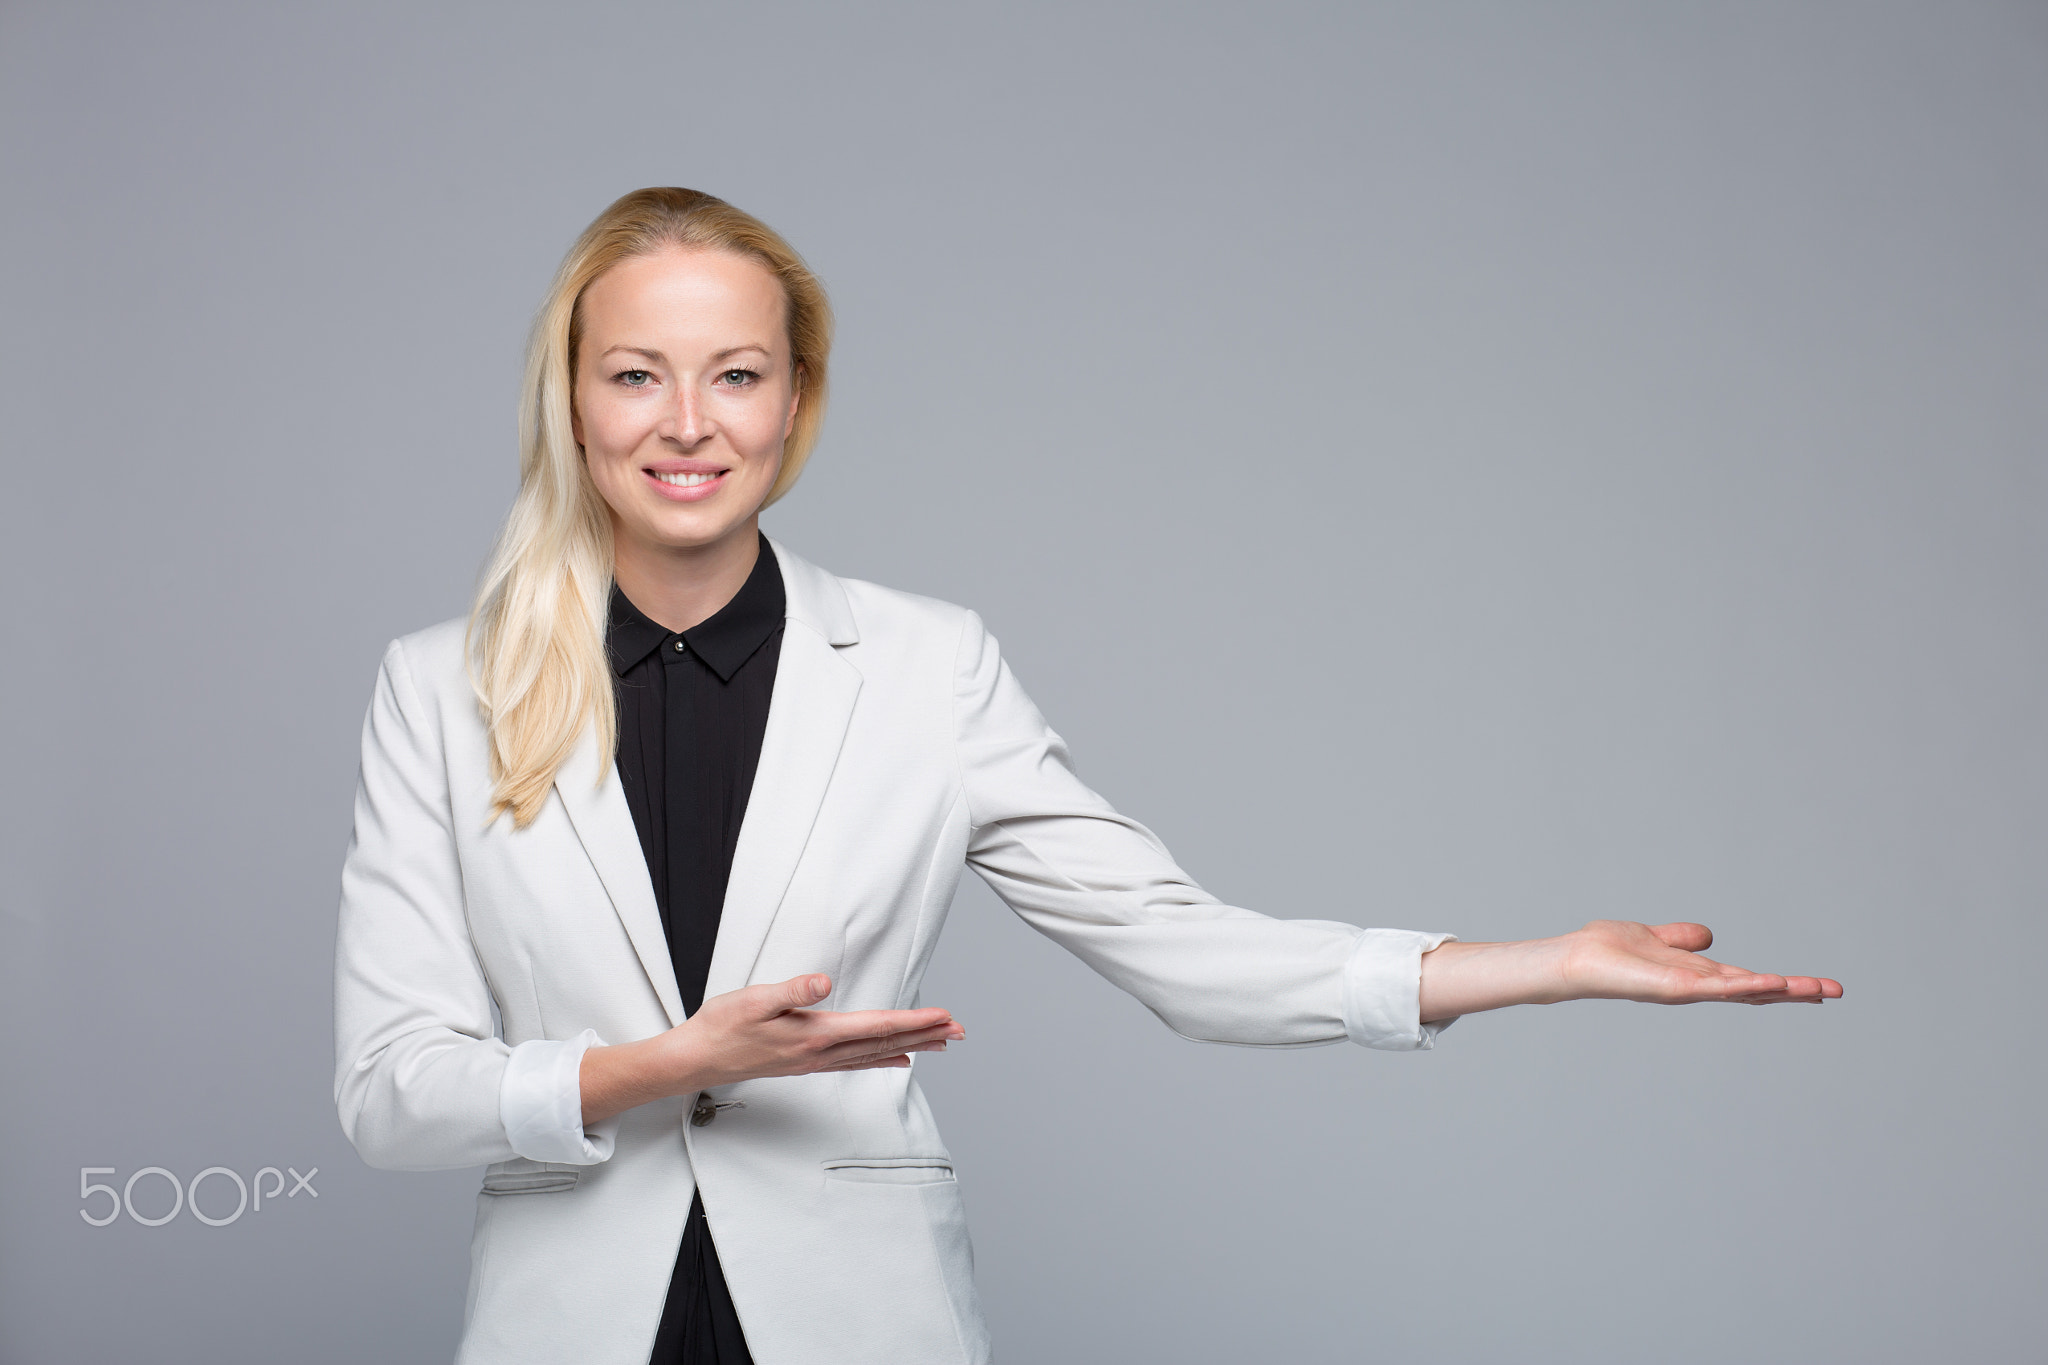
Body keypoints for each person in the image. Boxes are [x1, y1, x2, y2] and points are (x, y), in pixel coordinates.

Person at [332, 187, 1842, 1365]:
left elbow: (1182, 950)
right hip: (570, 1323)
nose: (687, 423)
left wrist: (1543, 966)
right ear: (572, 399)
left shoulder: (928, 667)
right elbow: (391, 1093)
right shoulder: (437, 686)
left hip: (859, 1319)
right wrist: (660, 1065)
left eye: (736, 373)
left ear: (796, 401)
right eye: (635, 375)